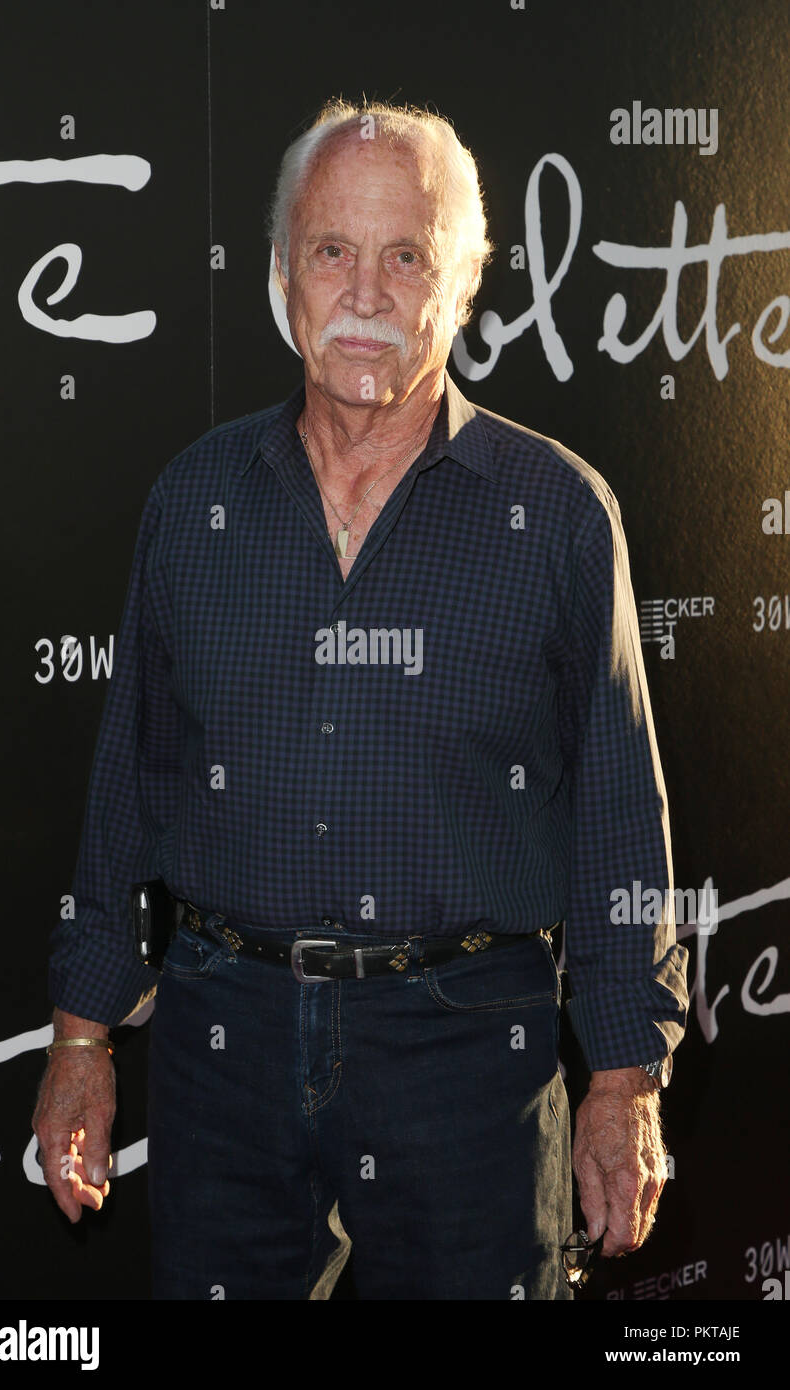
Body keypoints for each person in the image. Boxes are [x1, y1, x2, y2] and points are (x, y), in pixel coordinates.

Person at [33, 99, 688, 1300]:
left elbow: (615, 818)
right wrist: (80, 1036)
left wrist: (621, 1078)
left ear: (465, 283)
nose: (365, 290)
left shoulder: (554, 515)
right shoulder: (193, 503)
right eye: (332, 250)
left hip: (467, 1051)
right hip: (220, 1037)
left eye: (405, 256)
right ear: (283, 271)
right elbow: (127, 785)